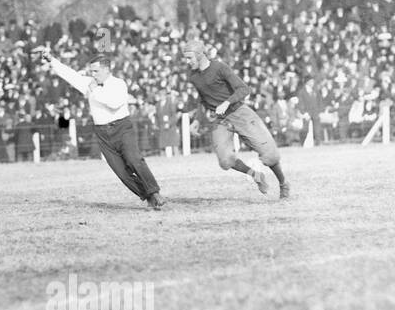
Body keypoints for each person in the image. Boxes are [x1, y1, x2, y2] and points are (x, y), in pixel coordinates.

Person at [34, 47, 166, 210]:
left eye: (96, 71)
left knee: (134, 160)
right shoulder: (90, 84)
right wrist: (51, 59)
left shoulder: (118, 84)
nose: (93, 74)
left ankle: (154, 191)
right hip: (102, 132)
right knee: (121, 172)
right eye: (91, 71)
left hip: (122, 127)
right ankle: (147, 196)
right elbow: (70, 75)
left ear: (106, 69)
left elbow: (114, 104)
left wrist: (93, 90)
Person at [181, 39, 291, 199]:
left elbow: (244, 89)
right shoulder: (193, 76)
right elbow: (203, 99)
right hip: (221, 120)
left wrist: (226, 103)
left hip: (239, 112)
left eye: (189, 58)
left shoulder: (219, 67)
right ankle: (256, 175)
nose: (187, 62)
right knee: (225, 161)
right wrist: (197, 120)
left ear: (200, 55)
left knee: (270, 154)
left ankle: (283, 183)